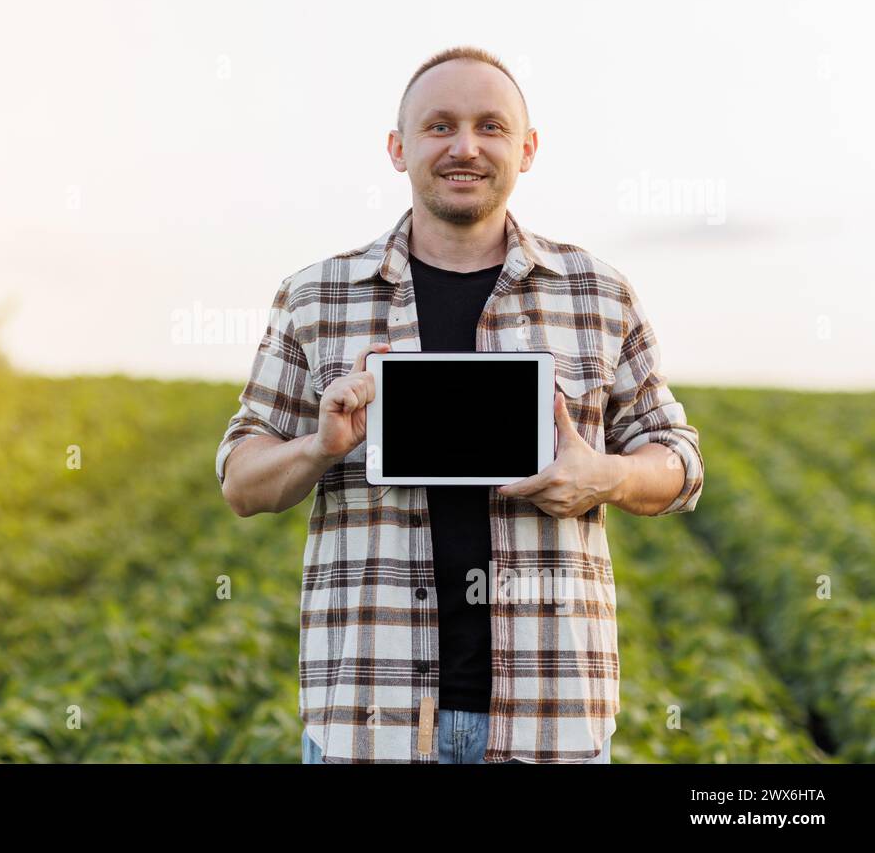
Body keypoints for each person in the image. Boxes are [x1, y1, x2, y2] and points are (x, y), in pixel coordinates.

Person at [216, 46, 704, 763]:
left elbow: (680, 460)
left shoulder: (598, 293)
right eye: (439, 126)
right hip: (368, 724)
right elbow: (240, 482)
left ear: (527, 148)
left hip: (552, 720)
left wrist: (609, 477)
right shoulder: (316, 297)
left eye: (491, 127)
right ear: (398, 148)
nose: (465, 147)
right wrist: (321, 445)